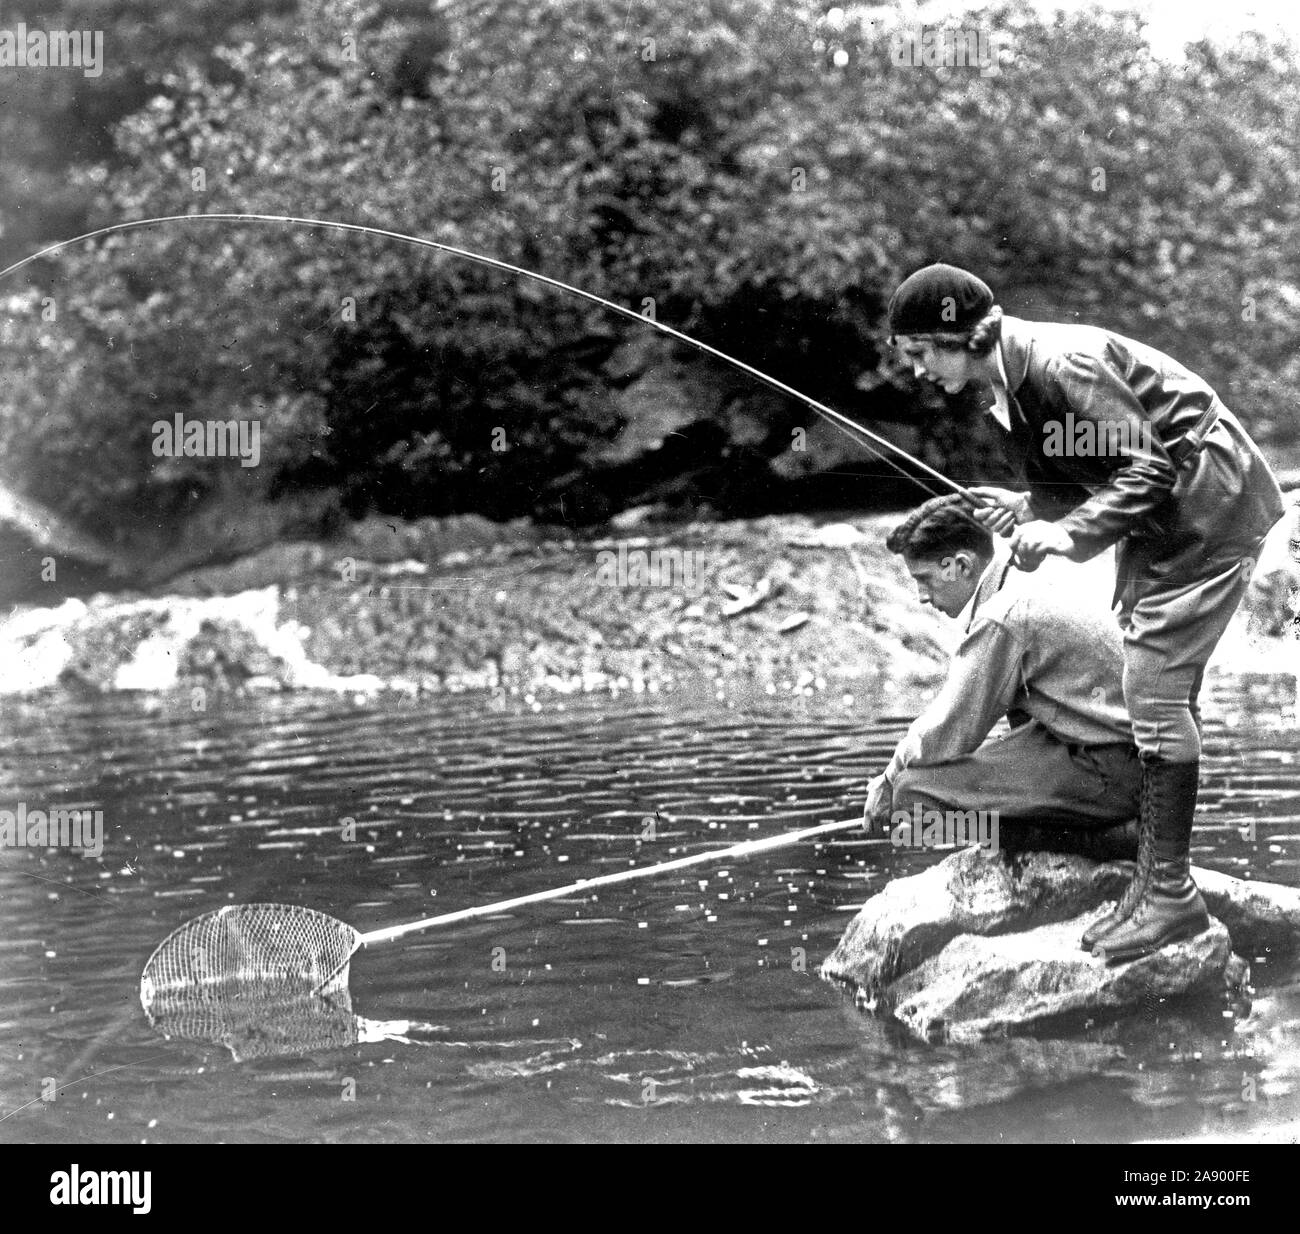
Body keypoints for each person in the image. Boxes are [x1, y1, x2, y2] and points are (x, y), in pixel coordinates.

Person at [883, 263, 1285, 962]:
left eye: (921, 354)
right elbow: (1085, 471)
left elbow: (1145, 468)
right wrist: (1031, 509)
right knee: (1156, 692)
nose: (918, 371)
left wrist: (1066, 536)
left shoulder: (1063, 364)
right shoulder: (1009, 383)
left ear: (966, 337)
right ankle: (1156, 877)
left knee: (1155, 696)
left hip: (1210, 507)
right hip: (1172, 519)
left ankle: (1168, 897)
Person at [863, 495, 1141, 852]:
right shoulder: (1022, 579)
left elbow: (951, 730)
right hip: (1119, 757)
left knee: (913, 796)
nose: (921, 596)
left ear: (962, 565)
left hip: (1110, 772)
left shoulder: (1003, 614)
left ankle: (1097, 841)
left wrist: (888, 781)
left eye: (925, 579)